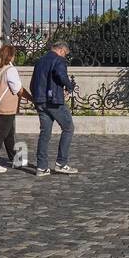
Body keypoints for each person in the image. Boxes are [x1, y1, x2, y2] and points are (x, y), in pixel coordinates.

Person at [31, 41, 76, 177]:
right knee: (68, 128)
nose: (65, 56)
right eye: (65, 54)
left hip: (40, 101)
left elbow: (33, 83)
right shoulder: (59, 60)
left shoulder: (39, 61)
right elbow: (61, 76)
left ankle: (41, 167)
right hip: (54, 101)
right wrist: (69, 87)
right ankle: (61, 163)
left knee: (45, 133)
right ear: (61, 50)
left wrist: (37, 98)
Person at [0, 44, 32, 173]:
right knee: (1, 134)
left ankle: (14, 159)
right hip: (7, 107)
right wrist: (31, 98)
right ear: (10, 56)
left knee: (9, 133)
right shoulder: (10, 70)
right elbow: (18, 89)